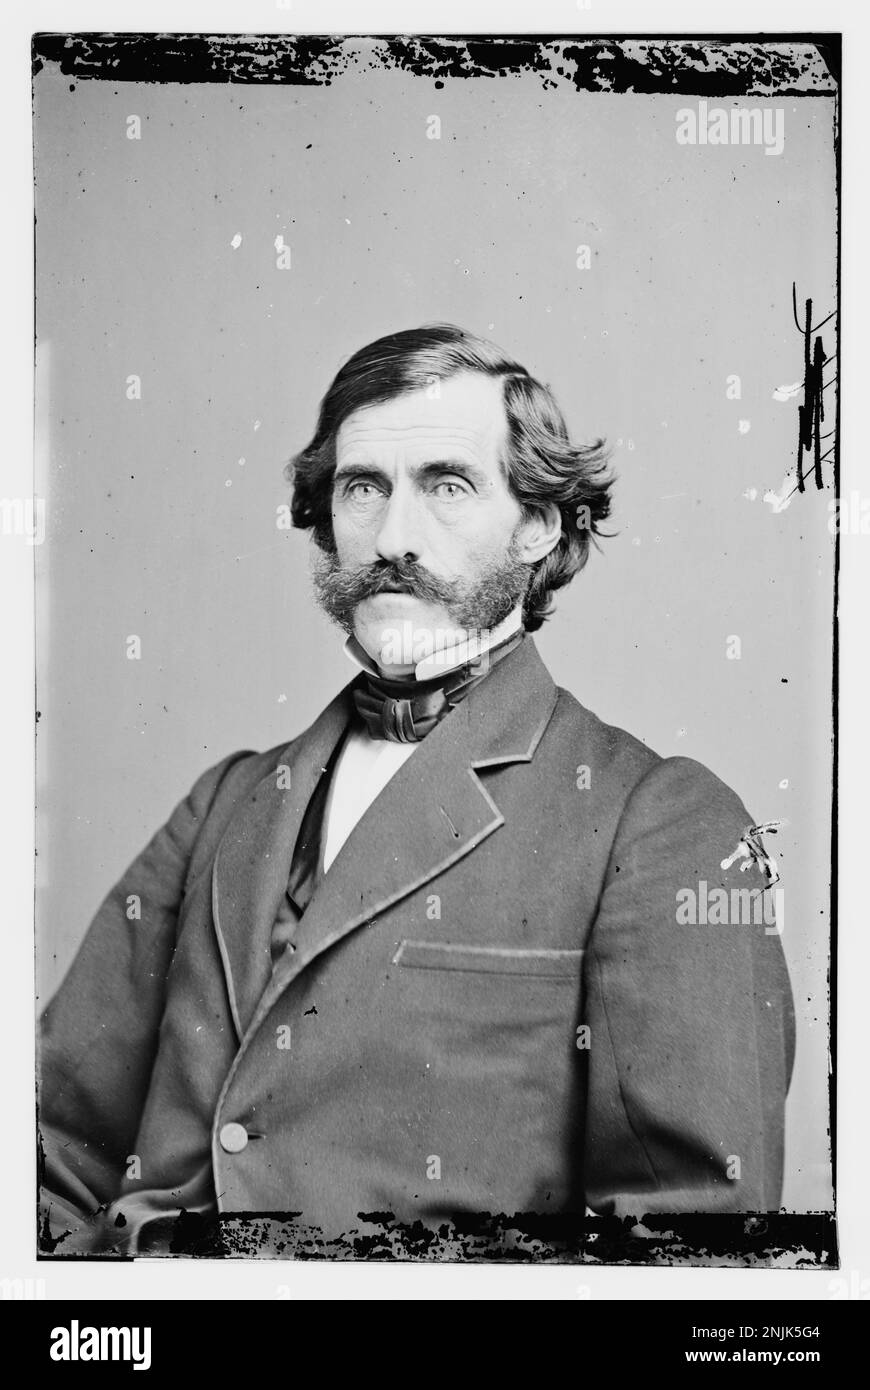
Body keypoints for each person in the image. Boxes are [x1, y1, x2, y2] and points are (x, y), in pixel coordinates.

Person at [38, 324, 795, 1259]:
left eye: (446, 484)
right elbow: (46, 1144)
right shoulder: (225, 803)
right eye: (364, 488)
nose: (394, 537)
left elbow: (691, 1250)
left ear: (539, 523)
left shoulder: (661, 823)